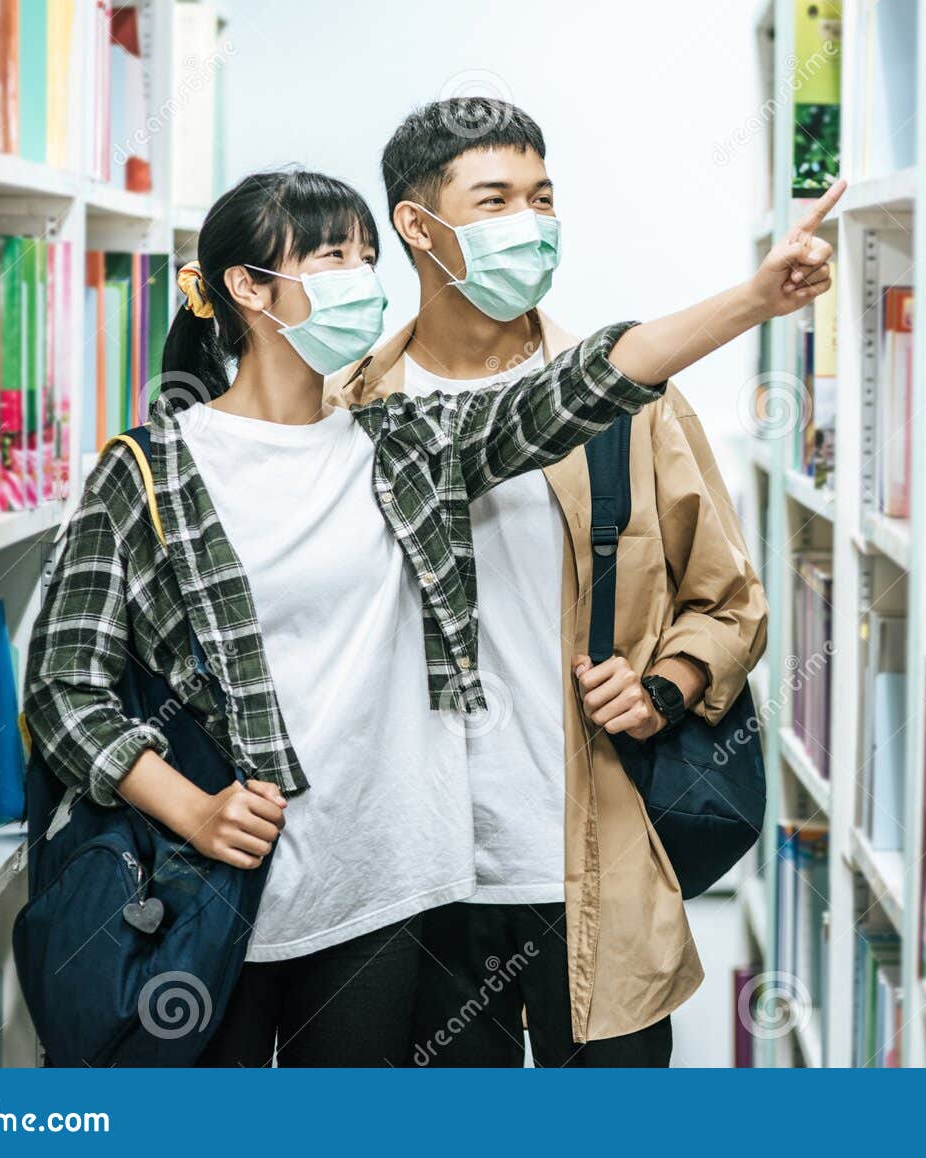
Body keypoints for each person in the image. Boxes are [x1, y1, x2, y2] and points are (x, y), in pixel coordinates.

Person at [25, 165, 843, 1067]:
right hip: (222, 901)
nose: (360, 280)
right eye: (331, 256)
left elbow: (585, 387)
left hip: (389, 901)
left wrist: (755, 299)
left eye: (367, 257)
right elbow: (65, 688)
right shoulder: (150, 469)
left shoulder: (402, 445)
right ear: (248, 289)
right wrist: (193, 809)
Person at [326, 98, 768, 1067]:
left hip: (593, 864)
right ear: (416, 224)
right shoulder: (347, 406)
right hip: (417, 875)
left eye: (543, 197)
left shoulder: (629, 398)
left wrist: (666, 687)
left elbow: (727, 599)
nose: (530, 222)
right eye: (495, 200)